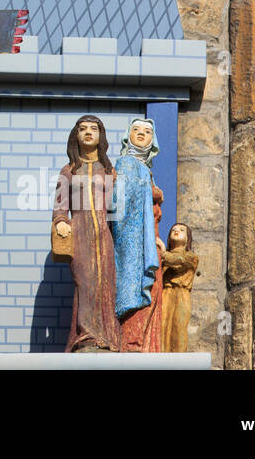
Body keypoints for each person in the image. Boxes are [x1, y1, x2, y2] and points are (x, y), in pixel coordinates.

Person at [52, 115, 121, 352]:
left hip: (105, 231)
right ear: (76, 136)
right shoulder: (69, 170)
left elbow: (119, 208)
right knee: (85, 281)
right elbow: (60, 206)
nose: (88, 132)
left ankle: (107, 336)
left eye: (94, 129)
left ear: (101, 136)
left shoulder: (111, 171)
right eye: (83, 129)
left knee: (106, 282)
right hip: (80, 229)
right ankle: (87, 335)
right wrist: (61, 221)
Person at [110, 117, 163, 352]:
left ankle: (145, 344)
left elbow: (150, 213)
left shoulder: (146, 171)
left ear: (153, 140)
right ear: (127, 135)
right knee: (136, 287)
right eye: (136, 130)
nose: (142, 134)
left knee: (152, 286)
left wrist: (155, 238)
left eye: (147, 131)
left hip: (147, 240)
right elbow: (118, 205)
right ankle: (131, 342)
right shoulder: (125, 164)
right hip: (132, 240)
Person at [160, 222, 199, 352]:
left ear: (188, 238)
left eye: (182, 230)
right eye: (173, 230)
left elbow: (178, 262)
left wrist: (163, 252)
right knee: (162, 325)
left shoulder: (191, 257)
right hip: (165, 292)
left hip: (181, 293)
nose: (177, 231)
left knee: (179, 326)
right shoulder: (163, 258)